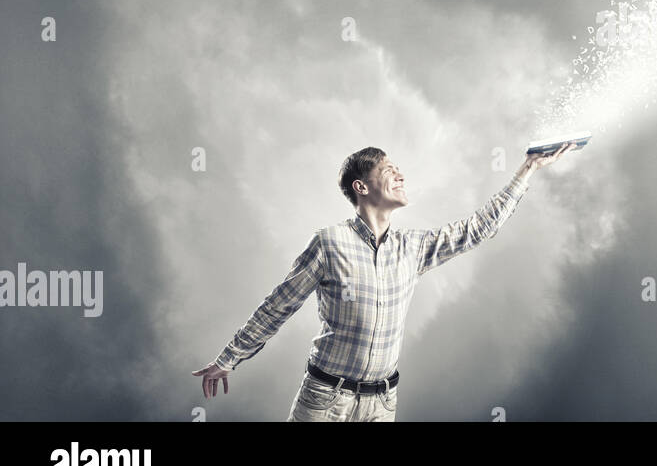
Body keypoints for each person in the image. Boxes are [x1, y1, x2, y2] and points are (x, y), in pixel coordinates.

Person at [191, 142, 575, 421]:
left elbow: (478, 228)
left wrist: (526, 171)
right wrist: (228, 359)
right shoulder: (329, 243)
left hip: (382, 405)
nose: (401, 175)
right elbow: (279, 305)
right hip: (326, 402)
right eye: (389, 170)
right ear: (361, 187)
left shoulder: (412, 248)